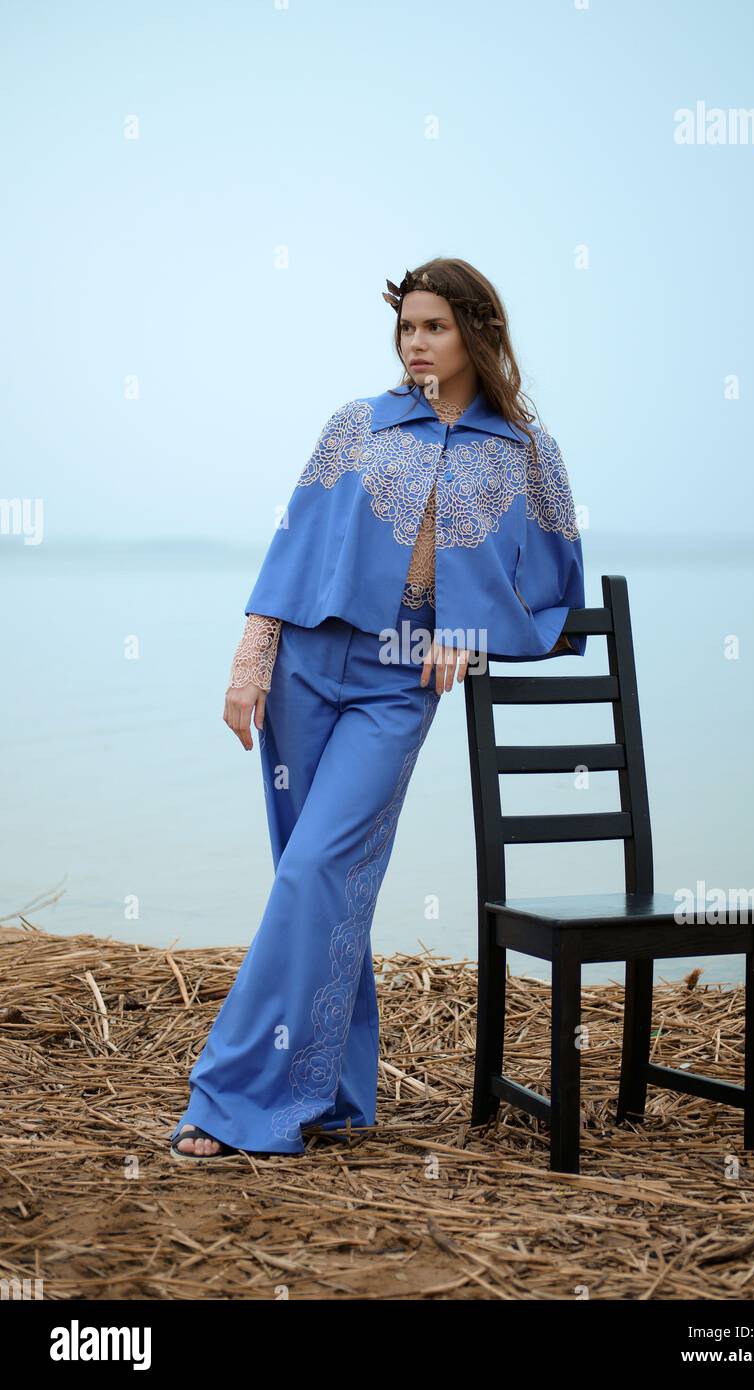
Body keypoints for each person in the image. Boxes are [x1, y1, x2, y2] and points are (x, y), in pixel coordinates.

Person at [170, 257, 586, 1161]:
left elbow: (557, 589)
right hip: (306, 667)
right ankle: (332, 1094)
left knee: (317, 871)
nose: (416, 344)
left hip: (400, 680)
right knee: (320, 883)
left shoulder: (525, 450)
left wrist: (472, 632)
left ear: (477, 333)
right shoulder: (356, 425)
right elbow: (292, 544)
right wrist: (251, 659)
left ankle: (230, 1097)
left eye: (434, 327)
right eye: (406, 328)